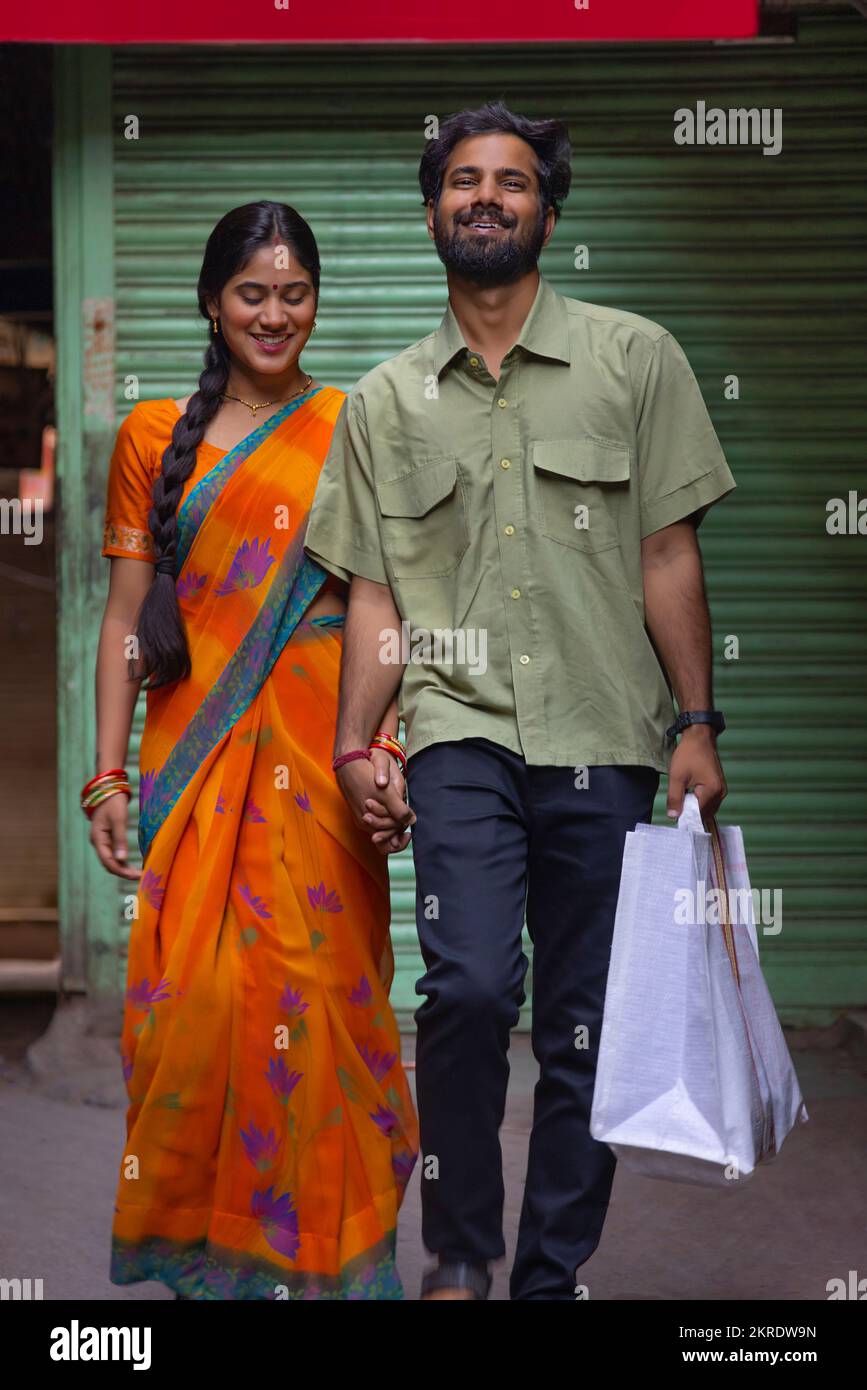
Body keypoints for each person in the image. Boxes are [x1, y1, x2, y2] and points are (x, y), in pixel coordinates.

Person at [303, 102, 736, 1301]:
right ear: (433, 207)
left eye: (509, 180)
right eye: (460, 180)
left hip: (605, 730)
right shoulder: (386, 401)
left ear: (549, 206)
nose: (483, 196)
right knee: (471, 987)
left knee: (582, 1021)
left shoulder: (633, 358)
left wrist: (697, 724)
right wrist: (355, 740)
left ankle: (548, 1275)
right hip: (458, 732)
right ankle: (460, 1252)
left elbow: (666, 555)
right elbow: (379, 597)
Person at [88, 201, 419, 1300]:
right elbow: (125, 617)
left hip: (322, 758)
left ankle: (322, 1264)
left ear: (315, 301)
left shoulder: (353, 422)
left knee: (321, 1001)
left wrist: (387, 743)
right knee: (198, 1010)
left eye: (294, 293)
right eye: (252, 294)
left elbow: (385, 602)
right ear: (213, 303)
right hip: (195, 760)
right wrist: (110, 772)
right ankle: (218, 1263)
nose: (275, 314)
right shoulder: (150, 438)